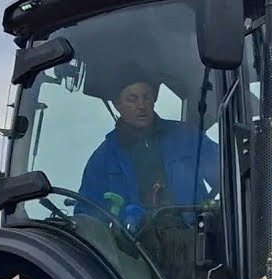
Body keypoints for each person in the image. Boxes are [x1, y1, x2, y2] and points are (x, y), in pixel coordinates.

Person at [76, 71, 221, 227]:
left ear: (153, 100)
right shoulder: (103, 159)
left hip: (196, 242)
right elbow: (87, 219)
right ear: (118, 105)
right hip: (133, 247)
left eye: (146, 97)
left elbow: (227, 172)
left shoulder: (186, 136)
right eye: (132, 99)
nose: (141, 105)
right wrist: (125, 218)